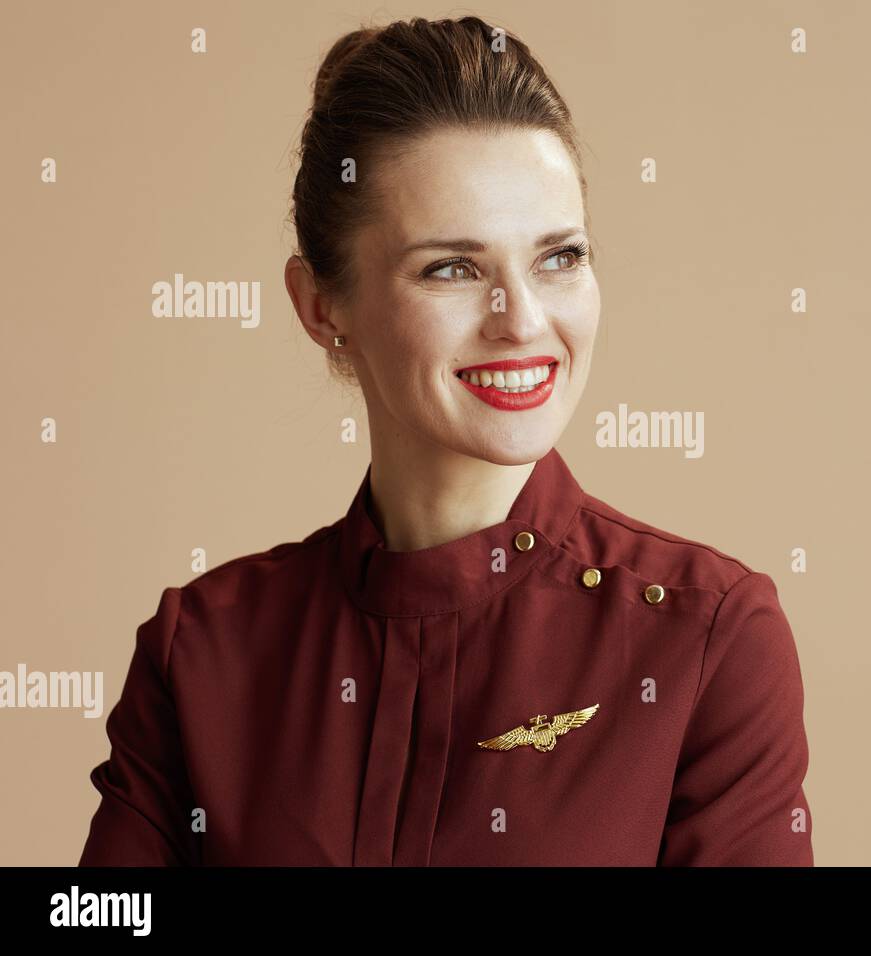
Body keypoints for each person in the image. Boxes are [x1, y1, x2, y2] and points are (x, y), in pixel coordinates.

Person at [78, 14, 812, 866]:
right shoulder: (203, 650)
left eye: (559, 257)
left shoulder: (707, 637)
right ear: (321, 305)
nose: (521, 320)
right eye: (452, 268)